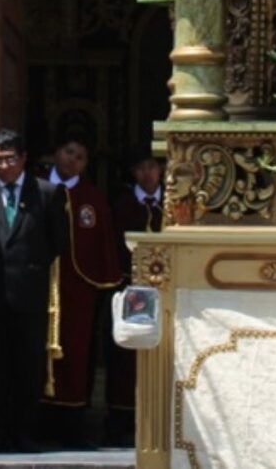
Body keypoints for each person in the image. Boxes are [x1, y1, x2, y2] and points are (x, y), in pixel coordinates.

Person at [0, 129, 64, 453]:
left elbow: (57, 243)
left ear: (23, 158)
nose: (3, 166)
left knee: (28, 367)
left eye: (9, 158)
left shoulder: (47, 193)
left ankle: (25, 432)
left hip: (29, 293)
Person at [40, 136, 121, 438]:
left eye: (81, 156)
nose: (73, 160)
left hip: (78, 288)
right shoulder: (36, 189)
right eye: (68, 152)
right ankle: (35, 417)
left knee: (77, 349)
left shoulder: (93, 198)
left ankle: (72, 418)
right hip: (40, 283)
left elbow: (103, 245)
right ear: (56, 153)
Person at [105, 152, 164, 446]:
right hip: (131, 288)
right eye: (141, 167)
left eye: (152, 166)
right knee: (125, 356)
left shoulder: (176, 204)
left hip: (167, 290)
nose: (148, 173)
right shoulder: (122, 205)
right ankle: (121, 418)